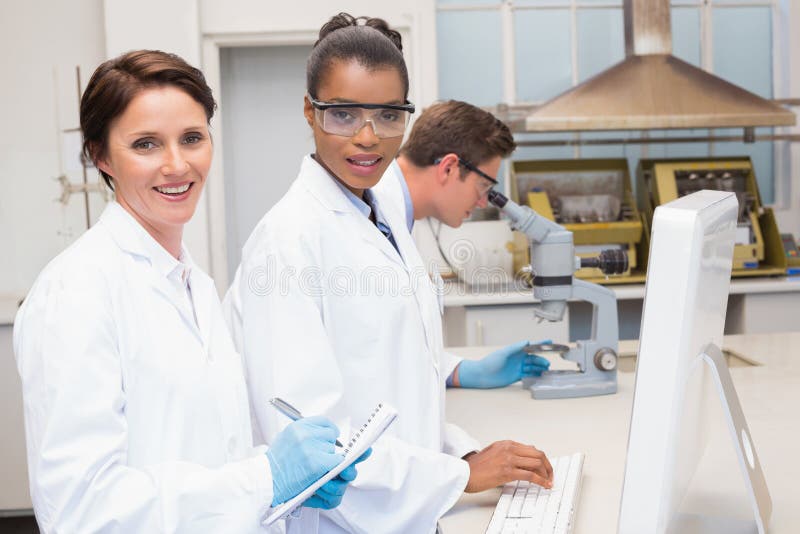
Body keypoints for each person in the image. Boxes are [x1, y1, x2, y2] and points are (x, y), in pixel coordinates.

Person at [224, 14, 553, 533]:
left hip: (407, 509)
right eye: (344, 115)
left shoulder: (378, 216)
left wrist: (463, 453)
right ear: (310, 112)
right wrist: (456, 476)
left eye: (388, 115)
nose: (369, 137)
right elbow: (320, 442)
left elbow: (393, 391)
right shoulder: (287, 241)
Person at [13, 50, 365, 534]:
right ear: (100, 155)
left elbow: (206, 451)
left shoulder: (192, 282)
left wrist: (293, 483)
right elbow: (81, 512)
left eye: (192, 138)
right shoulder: (75, 292)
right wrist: (267, 477)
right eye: (146, 145)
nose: (177, 165)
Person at [372, 100, 552, 389]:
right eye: (483, 187)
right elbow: (365, 363)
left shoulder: (395, 219)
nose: (482, 202)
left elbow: (394, 354)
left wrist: (464, 372)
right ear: (449, 168)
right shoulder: (368, 223)